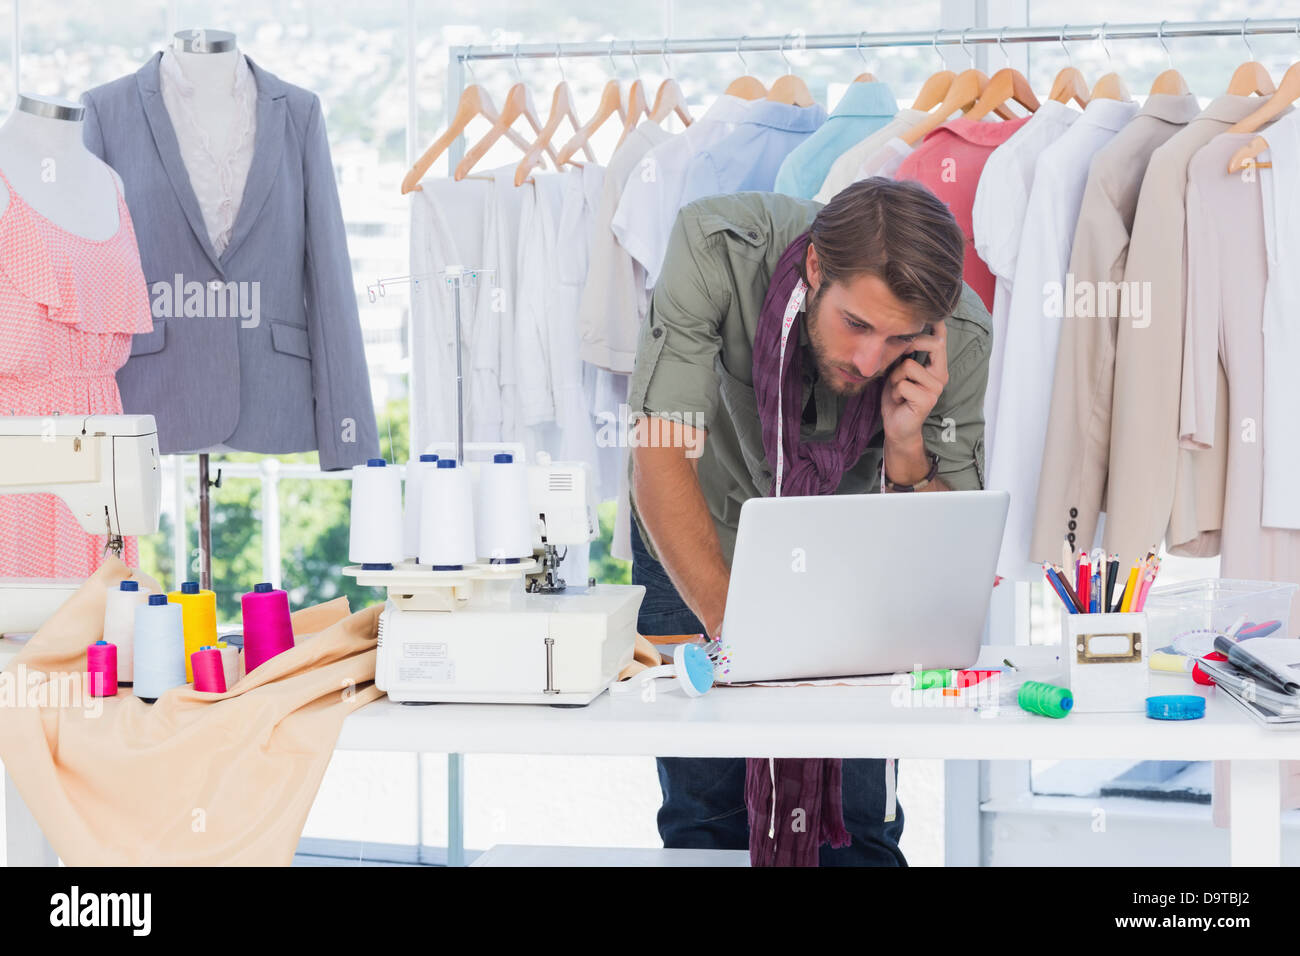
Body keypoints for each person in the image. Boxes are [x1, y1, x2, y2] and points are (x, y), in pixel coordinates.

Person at [626, 177, 992, 864]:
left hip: (851, 561)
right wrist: (743, 639)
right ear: (816, 267)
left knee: (856, 822)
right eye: (856, 325)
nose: (868, 359)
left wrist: (908, 449)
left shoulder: (961, 332)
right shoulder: (715, 247)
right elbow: (660, 448)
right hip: (695, 525)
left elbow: (950, 539)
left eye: (896, 340)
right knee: (706, 818)